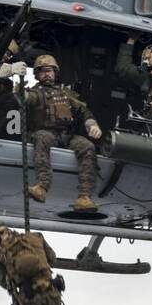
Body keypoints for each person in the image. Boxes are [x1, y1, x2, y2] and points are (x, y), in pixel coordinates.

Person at [23, 54, 102, 213]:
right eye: (43, 71)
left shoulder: (66, 93)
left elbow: (82, 109)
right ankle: (42, 187)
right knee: (42, 137)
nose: (47, 74)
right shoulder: (36, 92)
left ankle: (84, 197)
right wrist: (20, 93)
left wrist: (91, 123)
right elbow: (27, 98)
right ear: (37, 74)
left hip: (66, 135)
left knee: (87, 146)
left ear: (55, 73)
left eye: (50, 71)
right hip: (45, 132)